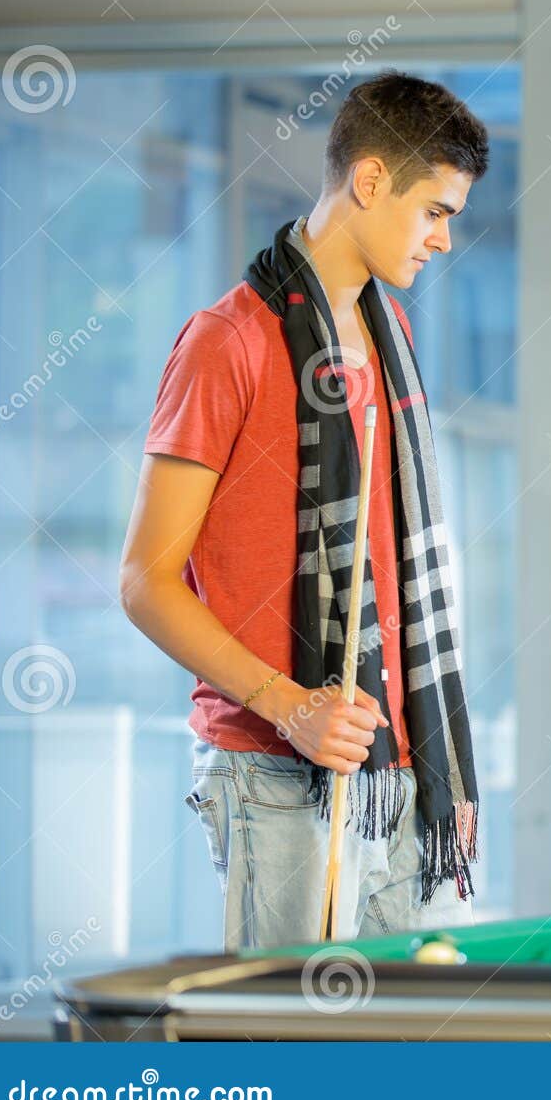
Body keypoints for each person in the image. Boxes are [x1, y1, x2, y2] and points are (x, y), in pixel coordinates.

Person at [119, 71, 488, 949]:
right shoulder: (229, 341)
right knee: (291, 1050)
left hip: (401, 770)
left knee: (417, 1048)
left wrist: (446, 768)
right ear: (369, 182)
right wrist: (291, 706)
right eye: (434, 210)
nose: (443, 239)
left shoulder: (390, 339)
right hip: (276, 769)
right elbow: (144, 581)